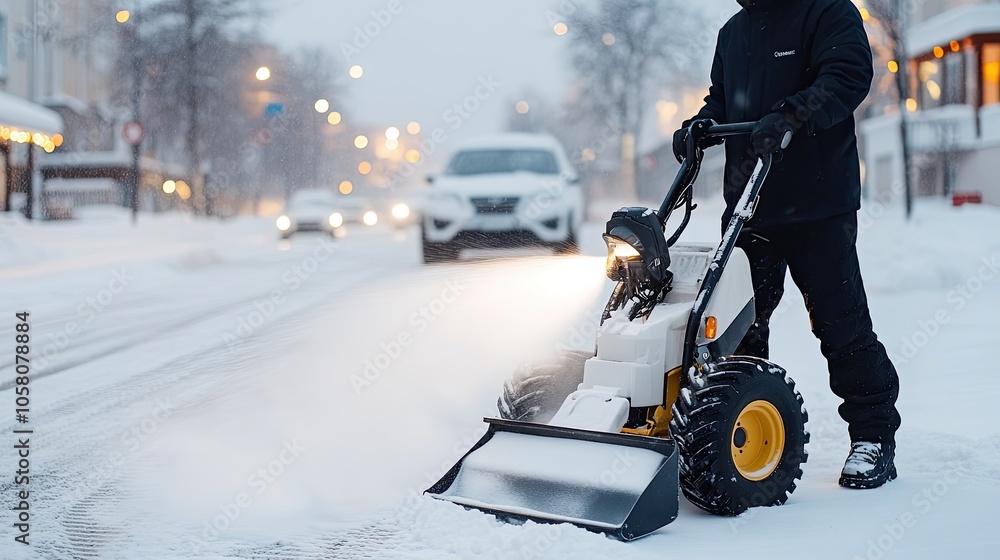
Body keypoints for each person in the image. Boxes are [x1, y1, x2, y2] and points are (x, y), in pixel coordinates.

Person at [673, 0, 900, 489]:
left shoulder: (827, 12)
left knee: (840, 323)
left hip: (818, 204)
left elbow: (848, 75)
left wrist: (793, 116)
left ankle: (874, 437)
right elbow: (723, 99)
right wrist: (701, 126)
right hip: (749, 205)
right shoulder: (734, 31)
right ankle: (733, 433)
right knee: (734, 330)